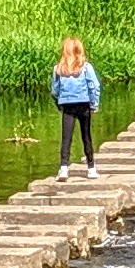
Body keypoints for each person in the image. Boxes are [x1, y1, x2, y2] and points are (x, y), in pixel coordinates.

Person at [51, 37, 100, 179]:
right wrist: (94, 104)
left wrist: (59, 102)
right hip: (84, 104)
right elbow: (94, 86)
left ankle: (64, 168)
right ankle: (91, 168)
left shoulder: (59, 69)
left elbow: (54, 90)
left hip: (67, 106)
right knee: (86, 136)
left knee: (66, 137)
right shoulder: (86, 67)